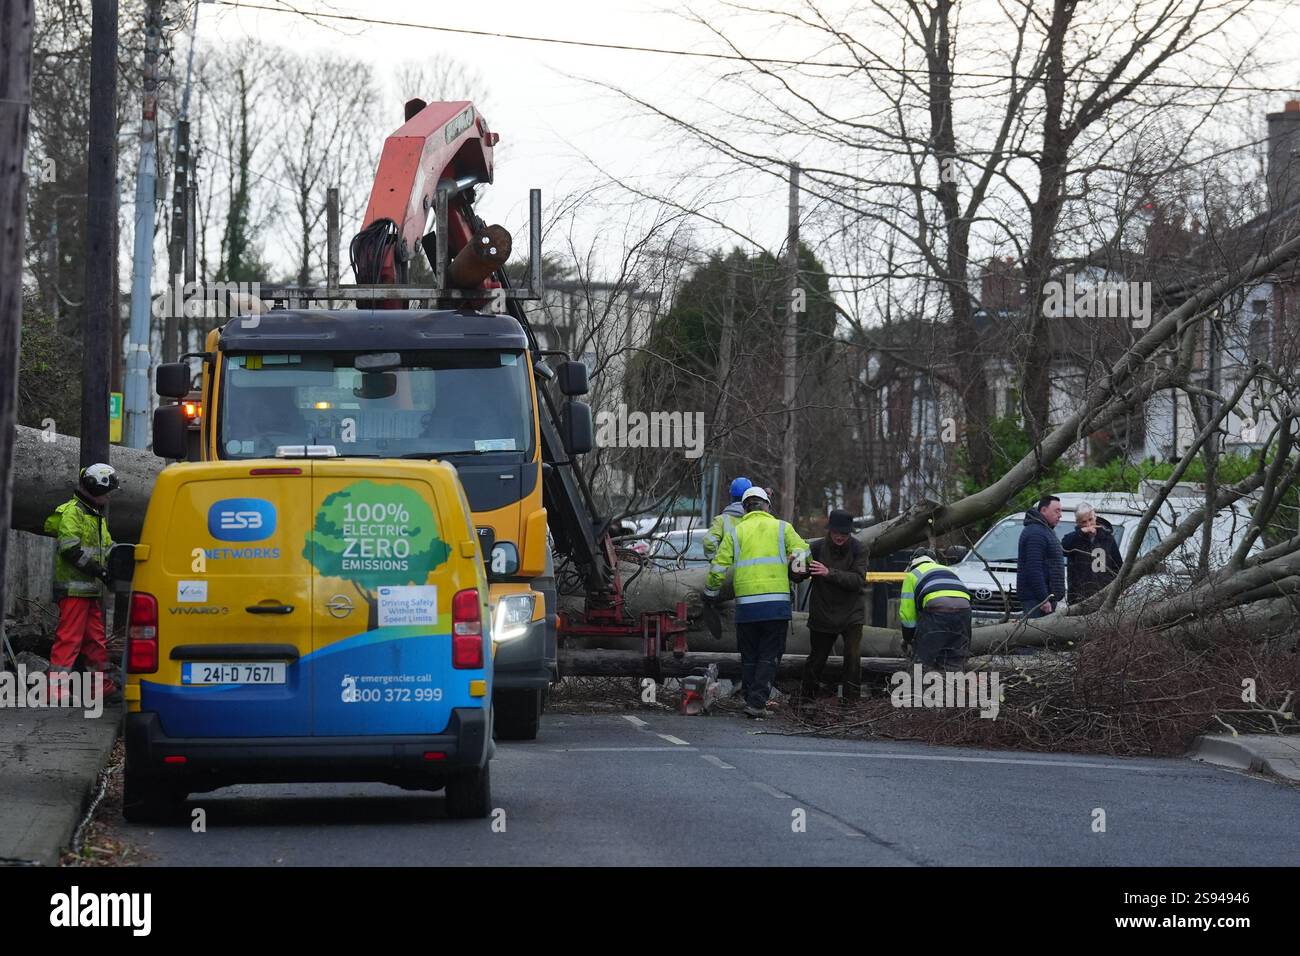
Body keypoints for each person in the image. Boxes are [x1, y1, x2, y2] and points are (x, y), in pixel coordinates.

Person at [703, 486, 807, 719]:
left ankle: (750, 698)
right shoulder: (783, 528)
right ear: (767, 505)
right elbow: (803, 553)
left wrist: (710, 593)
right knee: (769, 656)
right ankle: (757, 702)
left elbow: (718, 566)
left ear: (745, 507)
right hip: (776, 605)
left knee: (749, 656)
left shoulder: (736, 533)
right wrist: (796, 573)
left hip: (747, 608)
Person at [45, 464, 120, 700]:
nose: (110, 496)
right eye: (108, 490)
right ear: (96, 487)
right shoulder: (73, 512)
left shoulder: (94, 515)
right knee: (69, 640)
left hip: (89, 591)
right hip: (74, 590)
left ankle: (100, 688)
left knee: (95, 642)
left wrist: (124, 559)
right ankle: (54, 691)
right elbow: (70, 549)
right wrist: (101, 572)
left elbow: (108, 547)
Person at [800, 509, 868, 700]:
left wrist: (828, 572)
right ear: (830, 530)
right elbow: (798, 576)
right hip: (822, 612)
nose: (840, 537)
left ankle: (851, 702)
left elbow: (857, 580)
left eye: (844, 534)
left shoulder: (859, 549)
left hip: (852, 613)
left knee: (853, 658)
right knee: (817, 658)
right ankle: (806, 699)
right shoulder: (816, 548)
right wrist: (795, 567)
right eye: (837, 533)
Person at [898, 549, 972, 670]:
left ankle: (919, 686)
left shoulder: (912, 575)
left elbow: (908, 617)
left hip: (937, 610)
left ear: (912, 563)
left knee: (922, 663)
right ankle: (954, 687)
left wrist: (908, 639)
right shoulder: (947, 570)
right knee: (954, 661)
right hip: (964, 610)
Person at [1061, 502, 1123, 604]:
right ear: (1078, 523)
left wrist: (1118, 587)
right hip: (1079, 596)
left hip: (1103, 594)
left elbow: (1117, 565)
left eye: (1090, 520)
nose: (1088, 525)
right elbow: (1063, 548)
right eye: (1083, 522)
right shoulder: (1074, 539)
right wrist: (1081, 532)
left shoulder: (1107, 538)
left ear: (1095, 517)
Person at [1017, 494, 1066, 619]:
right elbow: (1034, 569)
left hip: (1044, 599)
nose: (1060, 515)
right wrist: (1043, 599)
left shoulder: (1045, 531)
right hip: (1036, 601)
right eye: (1057, 511)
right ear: (1043, 510)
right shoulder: (1035, 533)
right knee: (1034, 637)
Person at [702, 477, 752, 560]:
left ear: (731, 495)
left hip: (728, 570)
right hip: (751, 569)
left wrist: (719, 561)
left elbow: (709, 543)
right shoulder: (757, 519)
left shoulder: (721, 520)